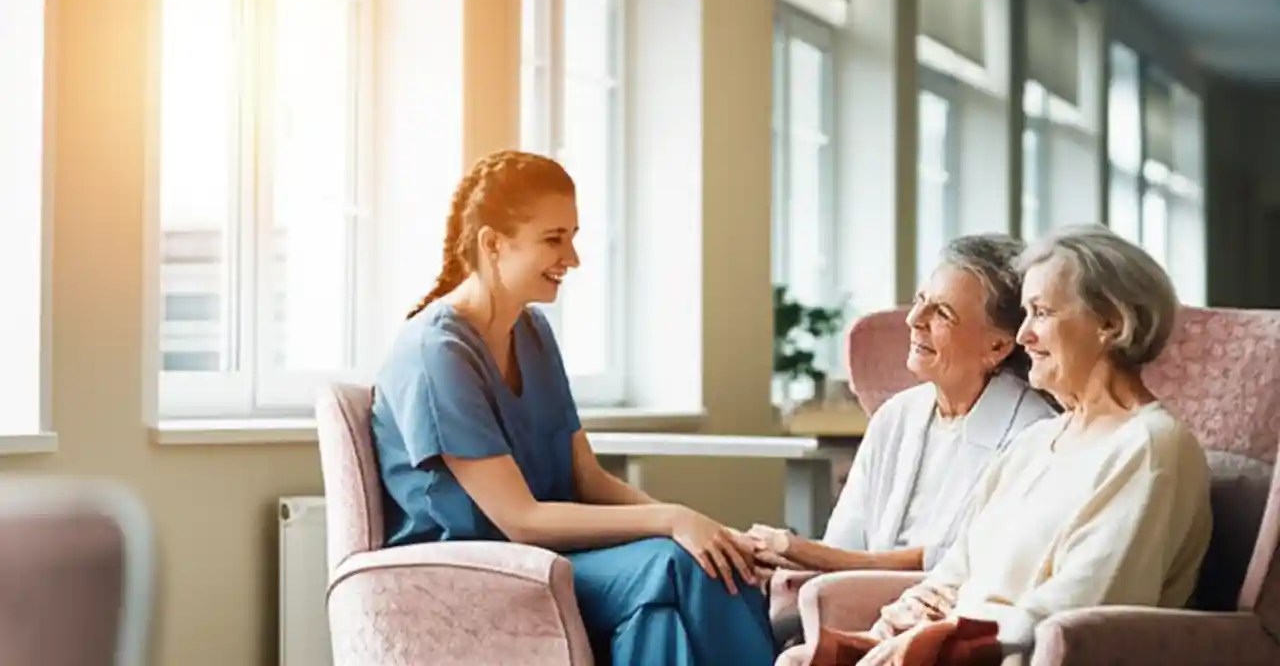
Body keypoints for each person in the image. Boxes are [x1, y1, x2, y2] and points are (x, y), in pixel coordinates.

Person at [370, 150, 774, 666]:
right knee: (678, 566)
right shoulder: (438, 351)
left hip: (550, 560)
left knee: (675, 601)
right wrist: (671, 519)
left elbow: (588, 478)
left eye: (574, 236)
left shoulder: (532, 332)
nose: (574, 258)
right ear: (493, 244)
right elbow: (520, 519)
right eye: (553, 239)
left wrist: (699, 530)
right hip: (474, 569)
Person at [854, 224, 1213, 666]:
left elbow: (1077, 611)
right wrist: (889, 630)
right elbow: (955, 573)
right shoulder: (1036, 441)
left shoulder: (1150, 448)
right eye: (1024, 314)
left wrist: (943, 638)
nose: (1023, 336)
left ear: (1111, 323)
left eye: (1041, 313)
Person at [750, 235, 1057, 640]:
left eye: (942, 313)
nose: (914, 319)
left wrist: (794, 547)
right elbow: (844, 543)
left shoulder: (1034, 435)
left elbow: (958, 568)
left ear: (998, 346)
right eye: (920, 299)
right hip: (849, 604)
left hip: (937, 620)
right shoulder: (897, 416)